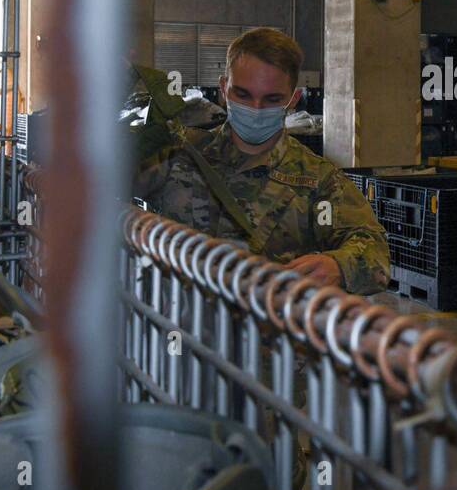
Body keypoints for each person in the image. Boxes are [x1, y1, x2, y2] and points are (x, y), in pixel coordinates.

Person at [136, 26, 389, 295]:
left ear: (293, 99)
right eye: (242, 95)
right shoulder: (176, 155)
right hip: (180, 324)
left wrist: (338, 265)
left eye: (271, 99)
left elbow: (374, 250)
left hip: (267, 327)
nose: (255, 109)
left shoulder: (317, 180)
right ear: (223, 88)